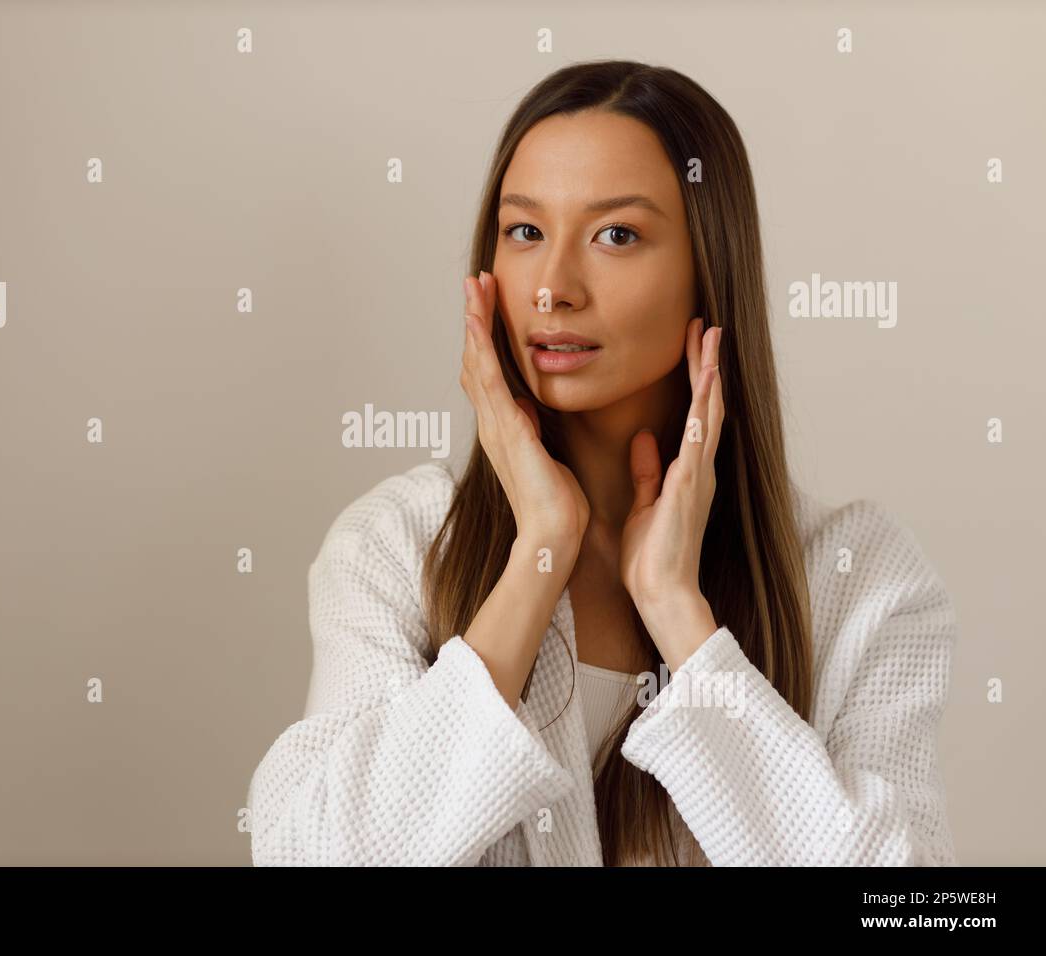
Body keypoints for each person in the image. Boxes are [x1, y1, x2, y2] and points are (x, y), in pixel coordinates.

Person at [246, 59, 958, 867]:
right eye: (525, 232)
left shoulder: (860, 581)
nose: (553, 288)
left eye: (616, 235)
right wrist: (538, 552)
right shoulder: (397, 547)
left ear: (708, 270)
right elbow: (315, 857)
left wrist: (677, 612)